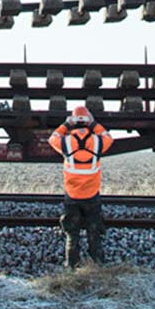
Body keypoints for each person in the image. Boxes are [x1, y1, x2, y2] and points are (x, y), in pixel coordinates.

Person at [49, 105, 115, 269]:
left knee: (72, 233)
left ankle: (72, 266)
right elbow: (108, 137)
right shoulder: (97, 141)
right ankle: (97, 265)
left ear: (73, 122)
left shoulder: (66, 142)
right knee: (94, 232)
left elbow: (53, 138)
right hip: (92, 195)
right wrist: (94, 124)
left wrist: (66, 124)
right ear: (88, 123)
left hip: (72, 196)